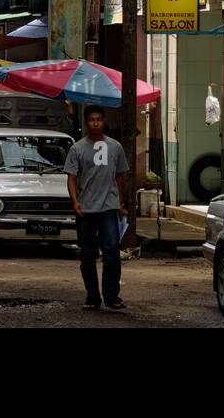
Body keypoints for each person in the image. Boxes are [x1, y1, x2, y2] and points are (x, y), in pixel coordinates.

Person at [65, 105, 128, 311]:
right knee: (87, 254)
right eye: (91, 119)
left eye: (98, 119)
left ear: (103, 121)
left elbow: (119, 177)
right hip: (86, 208)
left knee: (111, 250)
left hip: (109, 207)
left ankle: (111, 296)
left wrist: (121, 204)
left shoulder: (116, 147)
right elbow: (72, 178)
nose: (95, 123)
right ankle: (92, 296)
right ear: (86, 123)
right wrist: (75, 201)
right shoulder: (77, 148)